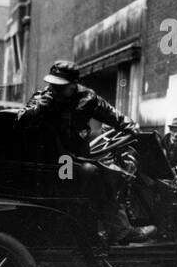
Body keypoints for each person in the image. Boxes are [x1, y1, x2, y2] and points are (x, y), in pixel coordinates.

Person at [18, 60, 152, 245]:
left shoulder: (88, 98)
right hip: (52, 159)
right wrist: (38, 109)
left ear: (73, 85)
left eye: (60, 86)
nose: (54, 90)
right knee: (95, 174)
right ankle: (117, 231)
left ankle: (113, 230)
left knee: (108, 175)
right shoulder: (43, 97)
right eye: (52, 85)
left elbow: (116, 117)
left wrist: (134, 130)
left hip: (74, 156)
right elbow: (20, 119)